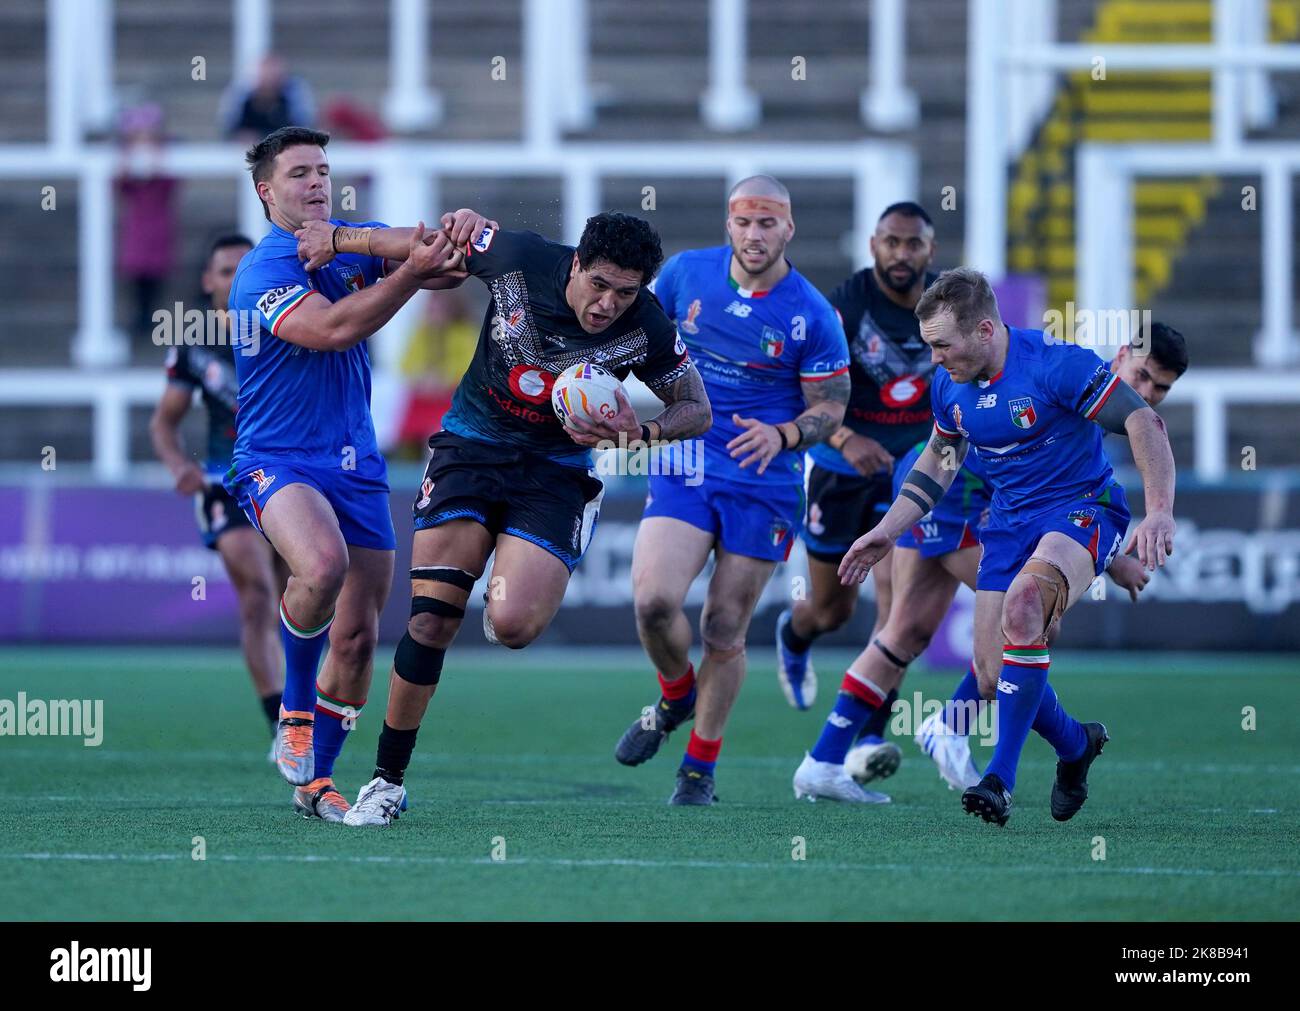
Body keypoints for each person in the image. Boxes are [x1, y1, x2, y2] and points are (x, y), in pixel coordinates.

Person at [294, 210, 712, 825]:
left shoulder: (646, 324)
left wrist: (640, 430)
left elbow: (696, 407)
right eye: (598, 284)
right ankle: (386, 782)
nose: (606, 305)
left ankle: (510, 587)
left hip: (555, 475)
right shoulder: (518, 256)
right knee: (432, 619)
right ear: (575, 264)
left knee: (514, 625)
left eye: (624, 293)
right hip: (471, 449)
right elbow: (426, 243)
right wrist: (337, 239)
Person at [838, 269, 1176, 825]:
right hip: (1009, 522)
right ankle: (1076, 746)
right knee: (992, 676)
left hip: (1083, 508)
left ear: (986, 331)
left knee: (1024, 608)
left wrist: (1159, 511)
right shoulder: (949, 384)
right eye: (930, 346)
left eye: (943, 345)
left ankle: (1000, 778)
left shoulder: (1055, 364)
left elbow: (1143, 420)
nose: (935, 358)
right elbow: (939, 460)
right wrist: (887, 530)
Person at [225, 126, 475, 822]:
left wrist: (432, 243)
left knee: (362, 634)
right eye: (299, 172)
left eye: (323, 170)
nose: (315, 183)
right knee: (323, 565)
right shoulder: (263, 271)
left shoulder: (343, 240)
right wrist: (410, 272)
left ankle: (317, 781)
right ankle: (295, 711)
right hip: (279, 458)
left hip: (357, 462)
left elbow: (439, 262)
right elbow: (333, 327)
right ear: (265, 191)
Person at [612, 176, 851, 805]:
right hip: (688, 457)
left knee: (724, 628)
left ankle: (697, 770)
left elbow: (833, 405)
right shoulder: (686, 276)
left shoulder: (812, 314)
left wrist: (788, 434)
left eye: (767, 223)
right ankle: (674, 695)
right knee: (654, 603)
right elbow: (635, 335)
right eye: (744, 222)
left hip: (764, 483)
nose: (754, 234)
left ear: (788, 230)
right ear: (729, 224)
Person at [776, 202, 940, 761]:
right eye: (891, 242)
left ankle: (867, 737)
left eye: (912, 243)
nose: (901, 253)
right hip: (843, 468)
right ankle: (795, 636)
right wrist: (848, 441)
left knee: (898, 609)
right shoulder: (842, 307)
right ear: (873, 246)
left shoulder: (946, 304)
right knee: (833, 611)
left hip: (918, 466)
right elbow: (810, 391)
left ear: (929, 251)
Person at [150, 233, 288, 752]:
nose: (233, 282)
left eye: (242, 271)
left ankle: (297, 710)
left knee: (294, 601)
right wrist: (177, 465)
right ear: (208, 281)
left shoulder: (284, 328)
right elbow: (164, 423)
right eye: (224, 272)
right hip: (222, 481)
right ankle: (280, 720)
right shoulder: (194, 342)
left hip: (283, 479)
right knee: (256, 594)